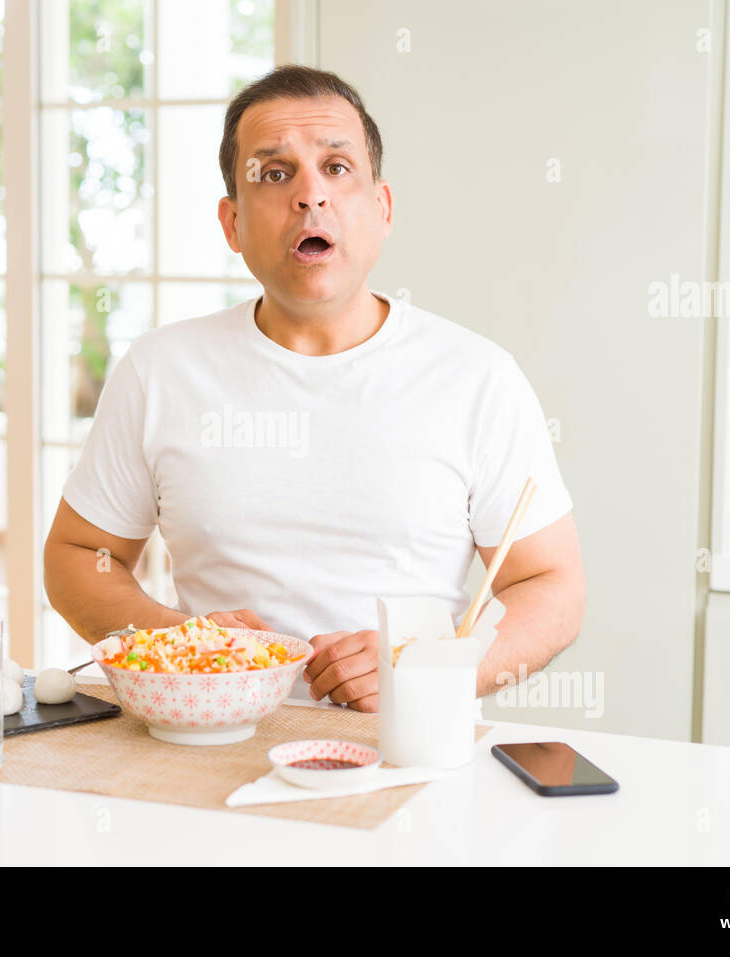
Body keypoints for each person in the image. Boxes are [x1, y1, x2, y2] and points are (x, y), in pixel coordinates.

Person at [43, 64, 585, 712]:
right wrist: (176, 640)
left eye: (336, 167)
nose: (309, 195)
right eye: (274, 173)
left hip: (408, 760)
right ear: (232, 223)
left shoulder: (479, 378)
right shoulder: (159, 371)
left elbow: (552, 585)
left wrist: (434, 667)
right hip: (206, 752)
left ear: (381, 209)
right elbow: (77, 555)